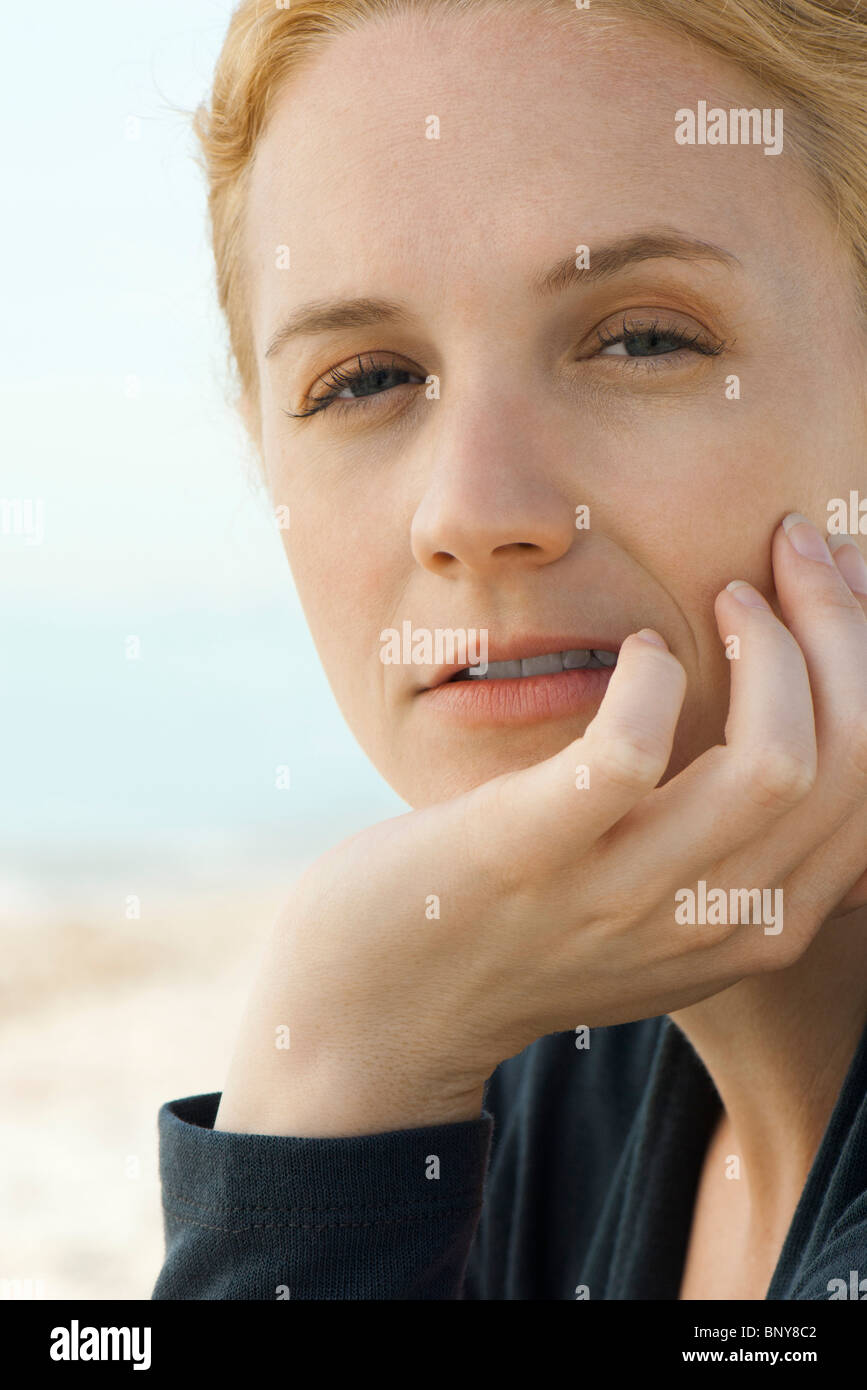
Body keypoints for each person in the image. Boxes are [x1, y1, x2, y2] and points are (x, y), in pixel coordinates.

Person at [151, 0, 867, 1300]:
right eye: (366, 379)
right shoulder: (533, 1079)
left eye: (643, 338)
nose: (473, 511)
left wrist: (340, 1060)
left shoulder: (419, 1064)